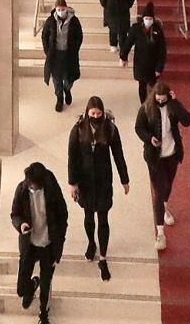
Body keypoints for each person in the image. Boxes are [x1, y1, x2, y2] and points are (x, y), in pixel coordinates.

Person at [66, 96, 130, 281]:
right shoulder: (78, 129)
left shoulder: (110, 129)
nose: (95, 116)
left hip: (103, 181)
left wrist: (124, 179)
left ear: (102, 113)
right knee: (88, 216)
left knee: (103, 218)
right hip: (85, 182)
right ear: (87, 112)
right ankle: (91, 243)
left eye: (98, 113)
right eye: (92, 113)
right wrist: (73, 183)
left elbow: (118, 154)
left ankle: (102, 257)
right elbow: (72, 158)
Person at [134, 80, 190, 251]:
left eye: (163, 99)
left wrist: (176, 103)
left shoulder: (172, 106)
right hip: (155, 157)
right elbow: (139, 128)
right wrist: (149, 138)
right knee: (159, 190)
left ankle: (164, 208)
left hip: (172, 154)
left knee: (168, 186)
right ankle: (160, 232)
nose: (160, 102)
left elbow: (187, 120)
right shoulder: (146, 109)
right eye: (157, 99)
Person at [11, 161, 68, 324]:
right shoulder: (22, 189)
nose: (32, 188)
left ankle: (44, 314)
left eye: (34, 186)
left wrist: (60, 243)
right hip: (29, 244)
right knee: (21, 288)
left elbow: (63, 215)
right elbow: (14, 214)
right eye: (30, 185)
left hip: (48, 245)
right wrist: (20, 224)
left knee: (46, 282)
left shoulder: (51, 190)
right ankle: (31, 285)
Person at [41, 0, 83, 112]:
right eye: (58, 9)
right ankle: (59, 98)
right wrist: (47, 50)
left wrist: (75, 49)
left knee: (69, 78)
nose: (61, 11)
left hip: (69, 54)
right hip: (55, 55)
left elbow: (79, 36)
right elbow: (44, 36)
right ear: (55, 9)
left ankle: (67, 90)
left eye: (63, 9)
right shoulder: (50, 21)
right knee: (57, 78)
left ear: (66, 8)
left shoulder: (74, 21)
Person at [120, 2, 167, 102]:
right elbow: (128, 43)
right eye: (146, 19)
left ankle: (153, 103)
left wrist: (159, 67)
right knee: (142, 85)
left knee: (153, 85)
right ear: (143, 19)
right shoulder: (136, 29)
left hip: (152, 64)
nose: (148, 21)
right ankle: (143, 105)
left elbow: (162, 50)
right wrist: (123, 56)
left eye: (150, 19)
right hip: (140, 63)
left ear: (153, 20)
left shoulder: (158, 31)